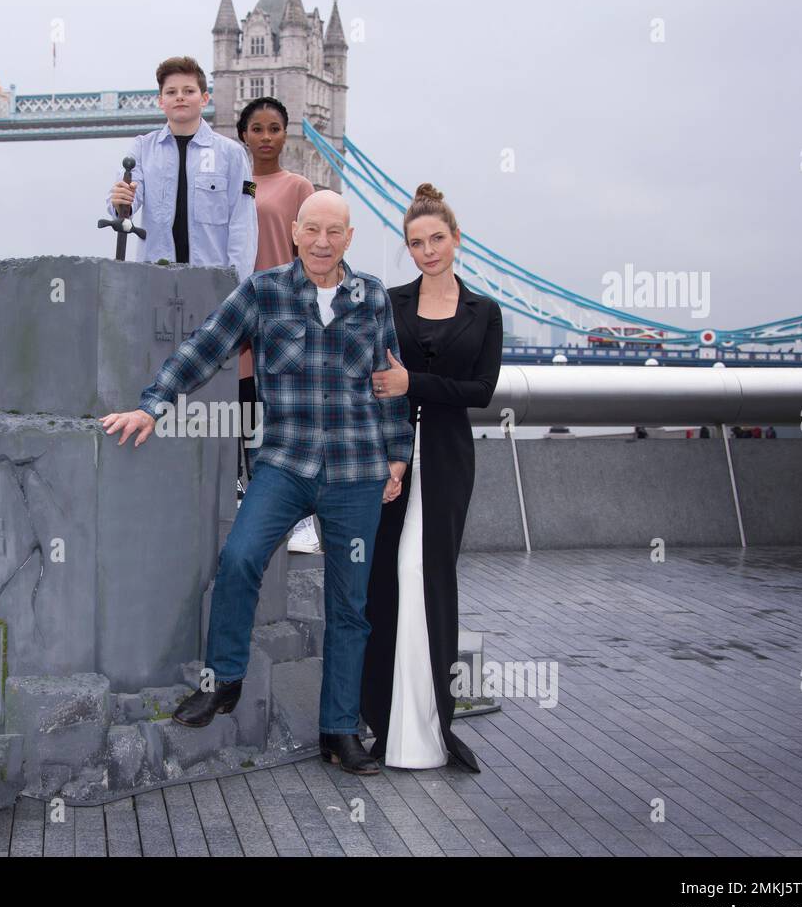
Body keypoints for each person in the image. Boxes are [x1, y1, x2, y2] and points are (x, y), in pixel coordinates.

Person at [100, 191, 412, 775]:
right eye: (312, 229)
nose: (322, 242)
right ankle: (226, 680)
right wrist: (153, 405)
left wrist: (398, 457)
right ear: (295, 231)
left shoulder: (371, 297)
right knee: (240, 559)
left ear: (349, 237)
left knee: (351, 605)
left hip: (356, 471)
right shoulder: (263, 291)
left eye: (333, 232)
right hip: (285, 465)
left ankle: (339, 731)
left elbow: (388, 376)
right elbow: (205, 348)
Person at [361, 183, 502, 774]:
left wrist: (412, 383)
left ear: (456, 239)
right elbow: (372, 381)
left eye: (436, 239)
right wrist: (391, 443)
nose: (427, 251)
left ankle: (433, 724)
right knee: (385, 581)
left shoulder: (485, 312)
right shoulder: (387, 304)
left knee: (429, 576)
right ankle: (381, 721)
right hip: (389, 457)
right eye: (416, 243)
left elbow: (481, 392)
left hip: (445, 458)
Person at [233, 96, 320, 554]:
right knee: (243, 418)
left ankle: (302, 523)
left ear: (286, 134)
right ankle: (243, 512)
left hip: (284, 316)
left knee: (287, 423)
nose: (266, 137)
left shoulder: (300, 186)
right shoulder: (229, 181)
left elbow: (316, 250)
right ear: (242, 133)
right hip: (236, 315)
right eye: (257, 129)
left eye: (275, 128)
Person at [106, 56, 257, 284]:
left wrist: (237, 284)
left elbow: (243, 224)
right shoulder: (142, 148)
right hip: (154, 282)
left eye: (188, 91)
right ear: (160, 101)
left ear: (204, 98)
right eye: (171, 92)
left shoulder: (233, 154)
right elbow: (123, 206)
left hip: (212, 284)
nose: (179, 97)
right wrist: (120, 201)